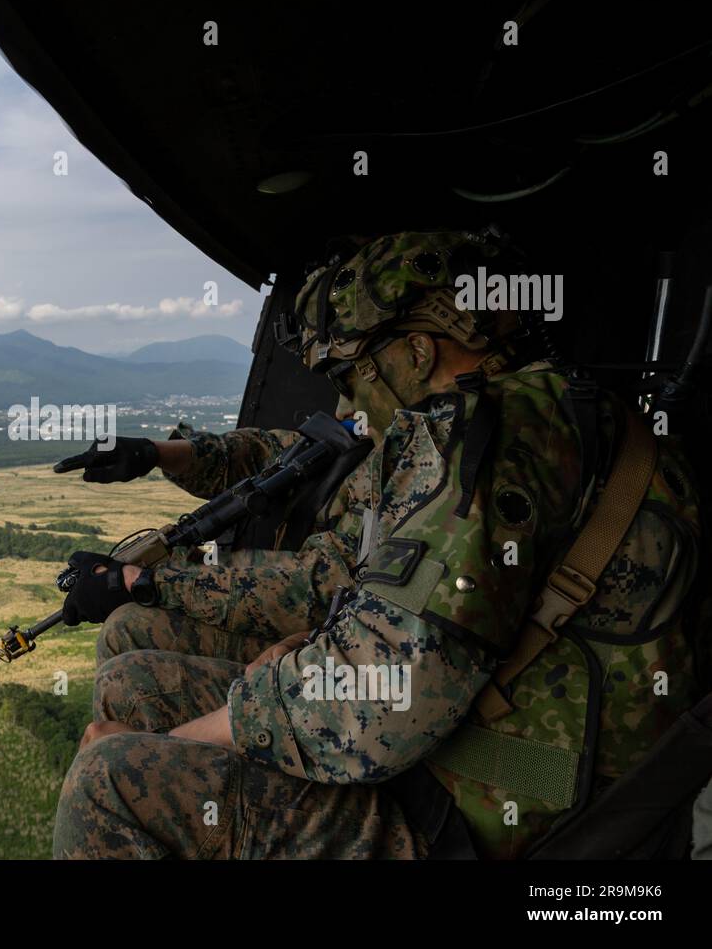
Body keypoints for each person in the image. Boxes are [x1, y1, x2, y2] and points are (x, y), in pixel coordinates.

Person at [50, 229, 704, 859]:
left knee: (109, 783)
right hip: (505, 761)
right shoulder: (557, 413)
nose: (344, 404)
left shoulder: (479, 441)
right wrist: (160, 453)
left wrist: (184, 734)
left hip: (488, 806)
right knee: (133, 689)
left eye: (349, 375)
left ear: (417, 353)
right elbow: (287, 458)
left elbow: (381, 693)